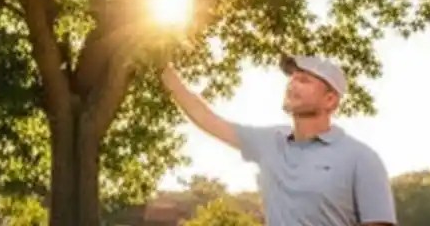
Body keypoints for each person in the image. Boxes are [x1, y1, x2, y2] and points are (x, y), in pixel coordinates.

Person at [161, 54, 396, 226]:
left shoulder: (361, 158)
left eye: (304, 80)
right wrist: (165, 69)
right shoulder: (270, 142)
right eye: (292, 78)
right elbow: (206, 118)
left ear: (330, 100)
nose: (292, 83)